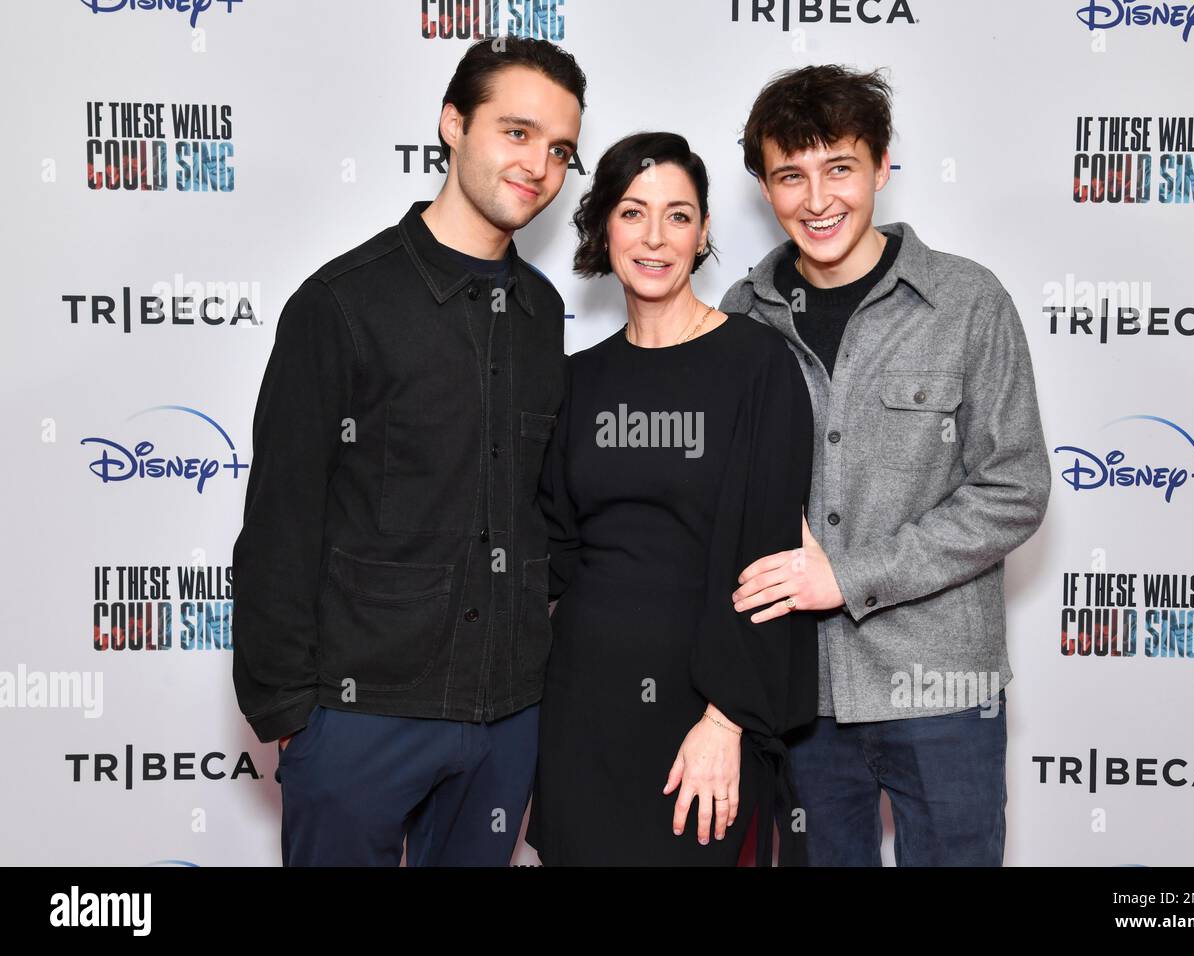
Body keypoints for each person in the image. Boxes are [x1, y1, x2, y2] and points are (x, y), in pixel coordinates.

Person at [230, 38, 586, 866]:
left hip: (505, 716)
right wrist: (293, 715)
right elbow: (282, 519)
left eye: (560, 149)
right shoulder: (341, 304)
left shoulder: (541, 313)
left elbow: (538, 506)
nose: (539, 164)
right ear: (452, 123)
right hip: (360, 715)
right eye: (517, 131)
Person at [720, 64, 1052, 866]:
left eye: (839, 167)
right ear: (765, 187)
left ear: (881, 165)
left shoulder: (970, 303)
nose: (818, 197)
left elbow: (1015, 488)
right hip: (798, 694)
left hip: (941, 690)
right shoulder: (738, 317)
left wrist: (851, 574)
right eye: (790, 175)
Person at [524, 132, 818, 866]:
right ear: (601, 228)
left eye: (678, 215)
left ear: (704, 231)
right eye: (632, 213)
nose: (655, 238)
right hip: (583, 708)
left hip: (705, 713)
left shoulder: (758, 365)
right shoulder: (576, 379)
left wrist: (728, 720)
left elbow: (769, 559)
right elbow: (554, 553)